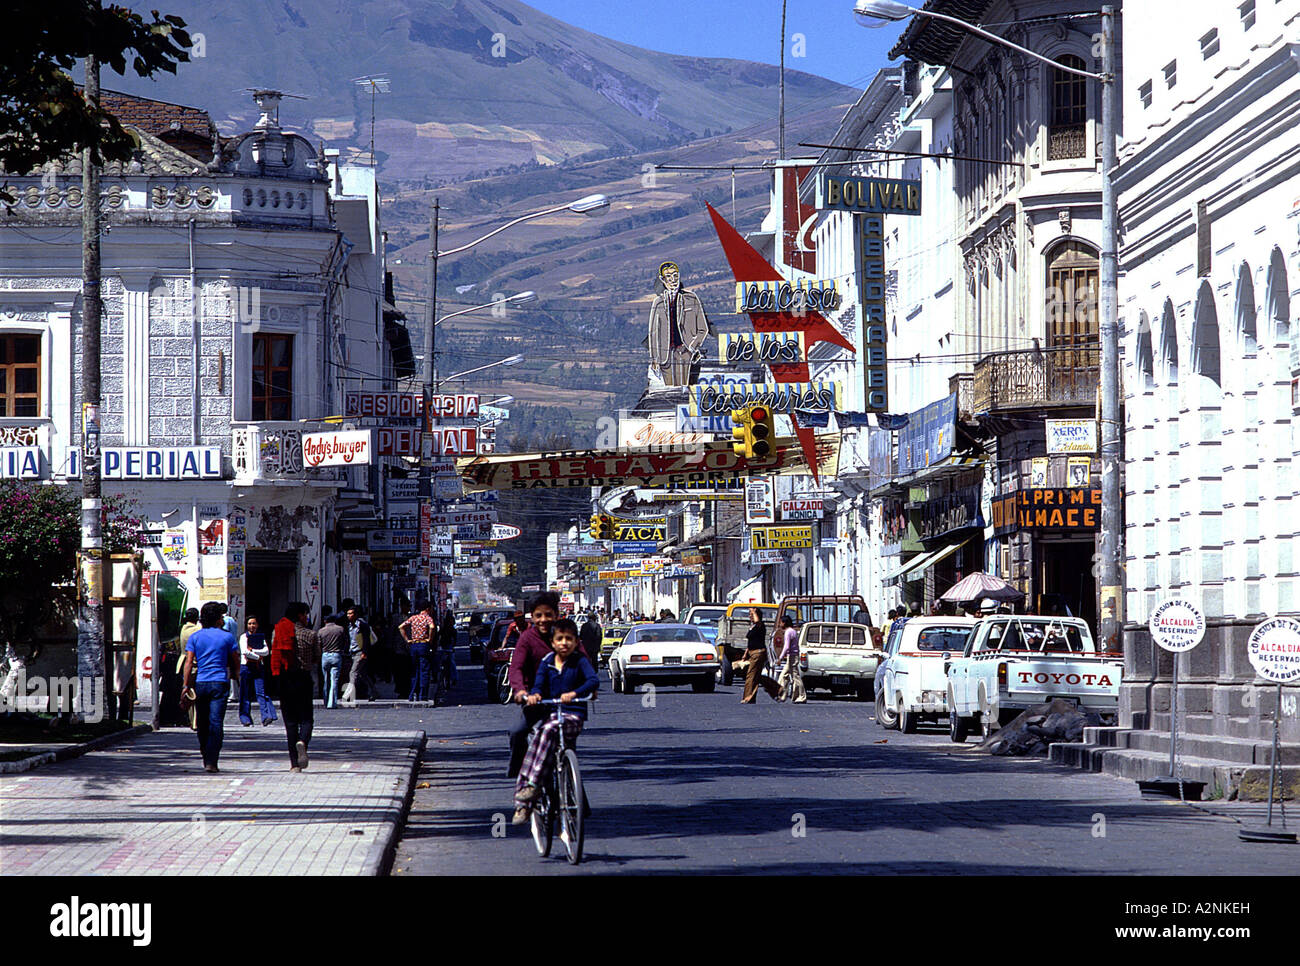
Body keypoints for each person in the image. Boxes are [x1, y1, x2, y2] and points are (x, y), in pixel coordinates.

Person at [512, 617, 599, 824]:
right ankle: (526, 791)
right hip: (552, 714)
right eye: (559, 639)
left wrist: (575, 692)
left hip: (573, 715)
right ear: (552, 642)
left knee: (547, 730)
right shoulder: (547, 662)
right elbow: (539, 685)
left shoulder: (580, 661)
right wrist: (534, 695)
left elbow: (593, 680)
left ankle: (532, 785)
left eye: (569, 639)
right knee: (540, 734)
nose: (564, 643)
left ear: (576, 641)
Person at [505, 592, 598, 778]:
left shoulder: (566, 635)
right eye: (538, 616)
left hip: (568, 702)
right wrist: (521, 690)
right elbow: (516, 668)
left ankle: (576, 801)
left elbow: (585, 664)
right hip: (537, 699)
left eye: (548, 615)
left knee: (568, 761)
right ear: (532, 616)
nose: (543, 620)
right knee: (517, 731)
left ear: (556, 615)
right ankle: (521, 773)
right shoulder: (527, 639)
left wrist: (589, 688)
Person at [178, 601, 240, 773]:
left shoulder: (195, 637)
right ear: (218, 619)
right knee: (216, 722)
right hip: (220, 682)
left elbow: (189, 663)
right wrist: (236, 674)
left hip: (201, 683)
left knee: (202, 722)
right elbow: (235, 659)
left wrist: (185, 686)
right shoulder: (227, 637)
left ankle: (205, 754)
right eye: (220, 617)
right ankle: (212, 760)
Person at [281, 602, 316, 772]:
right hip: (304, 678)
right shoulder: (310, 634)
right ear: (301, 616)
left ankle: (294, 764)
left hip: (286, 679)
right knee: (307, 718)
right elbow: (317, 657)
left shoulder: (278, 632)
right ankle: (303, 741)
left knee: (290, 722)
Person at [237, 615, 276, 727]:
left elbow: (266, 651)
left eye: (254, 623)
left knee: (261, 692)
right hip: (246, 667)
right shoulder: (243, 637)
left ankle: (266, 716)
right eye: (250, 623)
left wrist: (253, 651)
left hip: (258, 667)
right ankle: (245, 718)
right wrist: (258, 656)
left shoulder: (261, 637)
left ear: (257, 625)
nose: (252, 626)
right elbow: (245, 652)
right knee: (245, 693)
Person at [741, 607, 780, 704]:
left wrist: (754, 611)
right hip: (752, 652)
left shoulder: (760, 625)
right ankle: (777, 689)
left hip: (758, 653)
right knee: (757, 676)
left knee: (751, 675)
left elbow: (757, 620)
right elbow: (751, 641)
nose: (750, 616)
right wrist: (745, 654)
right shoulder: (753, 626)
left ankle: (748, 697)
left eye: (751, 614)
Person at [399, 602, 437, 702]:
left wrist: (407, 639)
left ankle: (412, 694)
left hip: (414, 645)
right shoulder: (427, 618)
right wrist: (430, 638)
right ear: (428, 609)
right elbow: (432, 627)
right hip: (423, 644)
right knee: (424, 670)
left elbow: (401, 626)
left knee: (414, 670)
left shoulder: (413, 618)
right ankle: (422, 695)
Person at [342, 605, 373, 704]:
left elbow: (366, 640)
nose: (349, 615)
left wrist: (365, 652)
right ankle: (373, 692)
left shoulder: (362, 625)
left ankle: (347, 695)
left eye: (351, 613)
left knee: (353, 672)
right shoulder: (349, 626)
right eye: (348, 613)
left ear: (355, 615)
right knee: (362, 674)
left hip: (360, 652)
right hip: (352, 652)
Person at [318, 613, 348, 709]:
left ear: (325, 621)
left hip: (325, 655)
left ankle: (326, 701)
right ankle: (332, 703)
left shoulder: (321, 631)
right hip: (336, 655)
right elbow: (345, 641)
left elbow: (319, 645)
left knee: (325, 680)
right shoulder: (340, 629)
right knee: (334, 680)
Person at [774, 614, 806, 704]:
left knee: (795, 677)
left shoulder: (788, 632)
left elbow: (786, 646)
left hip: (792, 656)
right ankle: (782, 695)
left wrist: (780, 657)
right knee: (784, 676)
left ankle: (801, 696)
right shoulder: (793, 631)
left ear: (784, 623)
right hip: (792, 656)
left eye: (781, 622)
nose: (780, 624)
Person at [436, 611, 459, 688]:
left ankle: (454, 677)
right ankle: (452, 677)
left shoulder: (451, 630)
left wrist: (453, 646)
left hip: (448, 647)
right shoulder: (445, 629)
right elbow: (438, 636)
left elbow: (454, 639)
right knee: (447, 662)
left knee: (451, 662)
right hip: (445, 647)